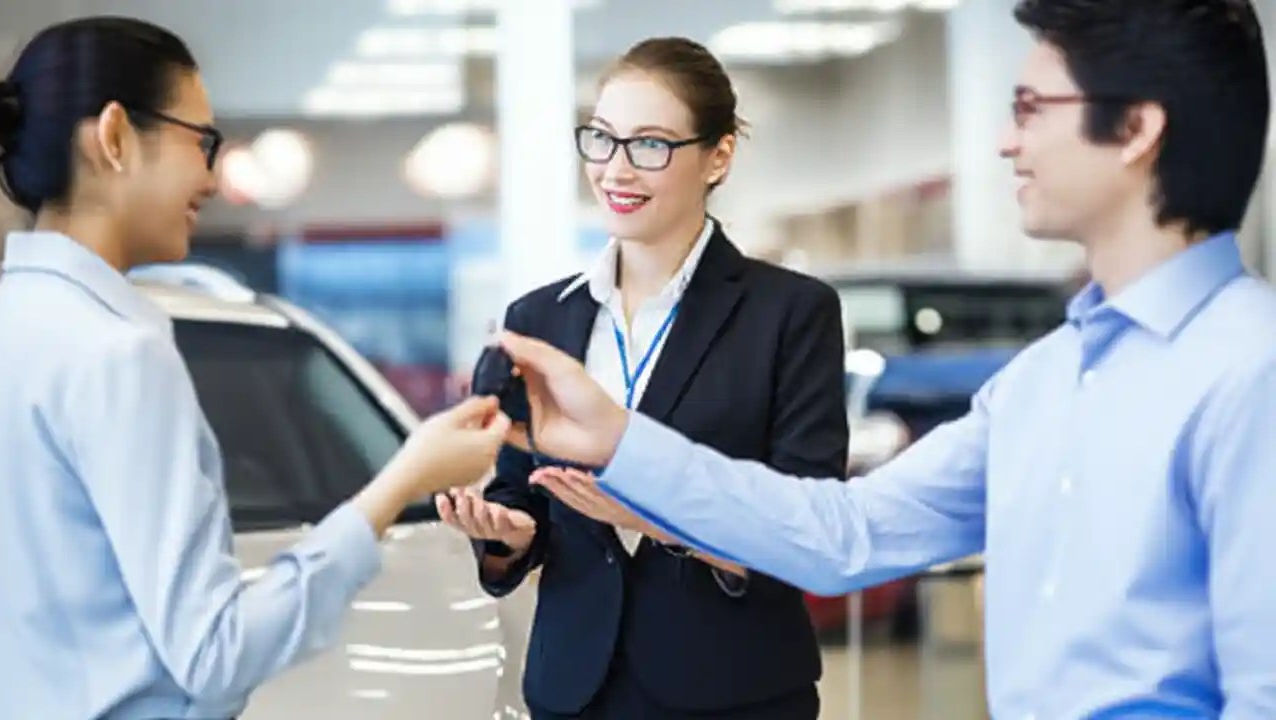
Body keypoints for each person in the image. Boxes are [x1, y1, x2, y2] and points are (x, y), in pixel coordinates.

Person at [497, 1, 1276, 717]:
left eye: (1033, 110)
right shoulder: (1043, 382)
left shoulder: (1252, 372)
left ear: (1136, 128)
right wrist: (621, 442)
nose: (1007, 141)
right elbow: (847, 534)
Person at [0, 17, 508, 720]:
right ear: (114, 137)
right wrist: (402, 481)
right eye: (201, 140)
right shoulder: (118, 353)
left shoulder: (17, 323)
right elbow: (215, 653)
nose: (211, 175)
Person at [437, 37, 848, 720]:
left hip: (734, 690)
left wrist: (656, 517)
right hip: (577, 688)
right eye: (601, 140)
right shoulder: (540, 317)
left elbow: (808, 524)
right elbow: (526, 496)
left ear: (718, 155)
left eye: (650, 145)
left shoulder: (790, 313)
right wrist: (507, 534)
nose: (616, 170)